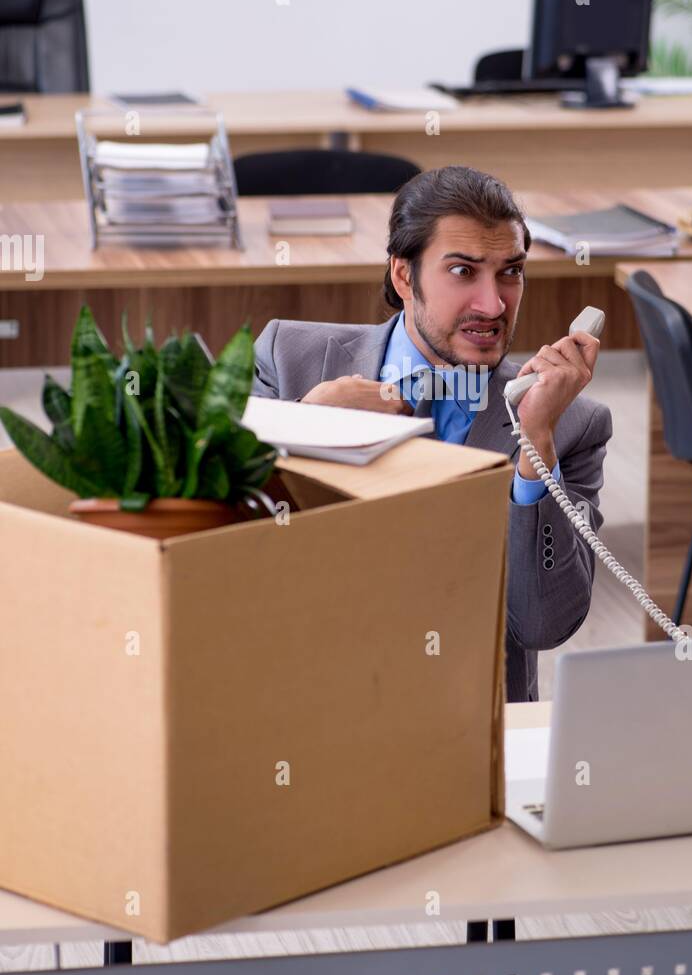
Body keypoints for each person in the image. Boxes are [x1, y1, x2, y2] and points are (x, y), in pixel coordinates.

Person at [252, 165, 613, 702]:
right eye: (464, 272)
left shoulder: (573, 423)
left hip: (467, 714)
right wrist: (308, 422)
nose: (493, 306)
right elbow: (232, 555)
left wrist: (535, 443)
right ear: (404, 277)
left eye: (510, 272)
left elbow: (543, 624)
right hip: (306, 696)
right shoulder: (291, 359)